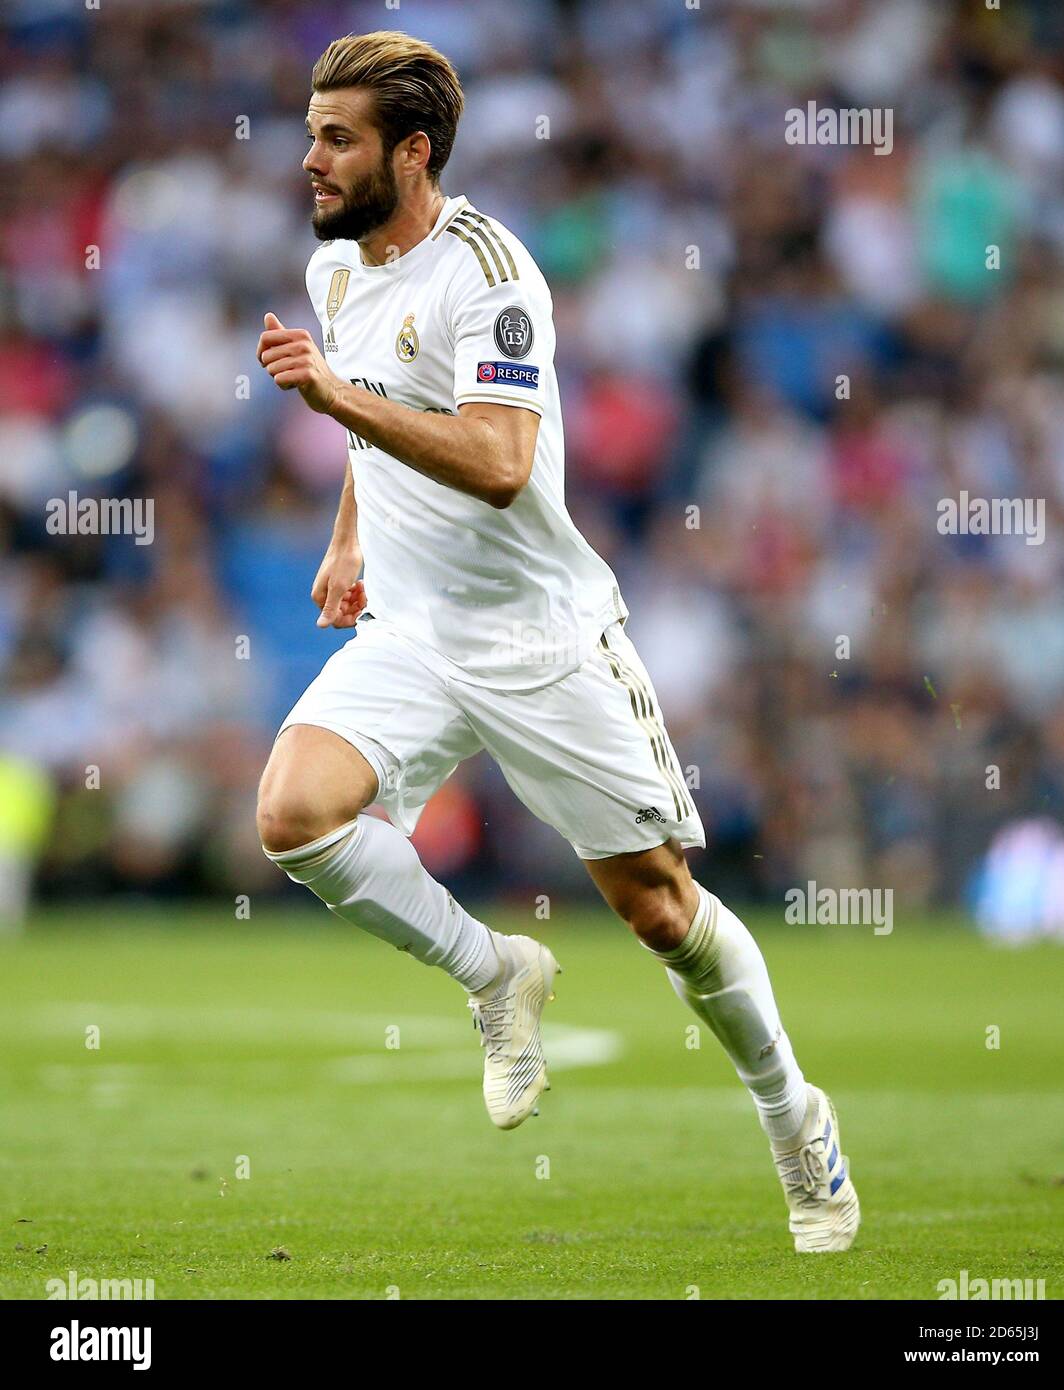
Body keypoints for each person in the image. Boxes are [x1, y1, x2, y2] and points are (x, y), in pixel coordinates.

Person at [255, 30, 859, 1253]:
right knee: (296, 813)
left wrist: (328, 399)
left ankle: (796, 1118)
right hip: (415, 627)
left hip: (539, 638)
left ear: (411, 153)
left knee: (658, 911)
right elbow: (382, 423)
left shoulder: (492, 272)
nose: (308, 159)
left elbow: (497, 459)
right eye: (311, 132)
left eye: (336, 138)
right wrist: (348, 534)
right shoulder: (335, 275)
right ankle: (496, 976)